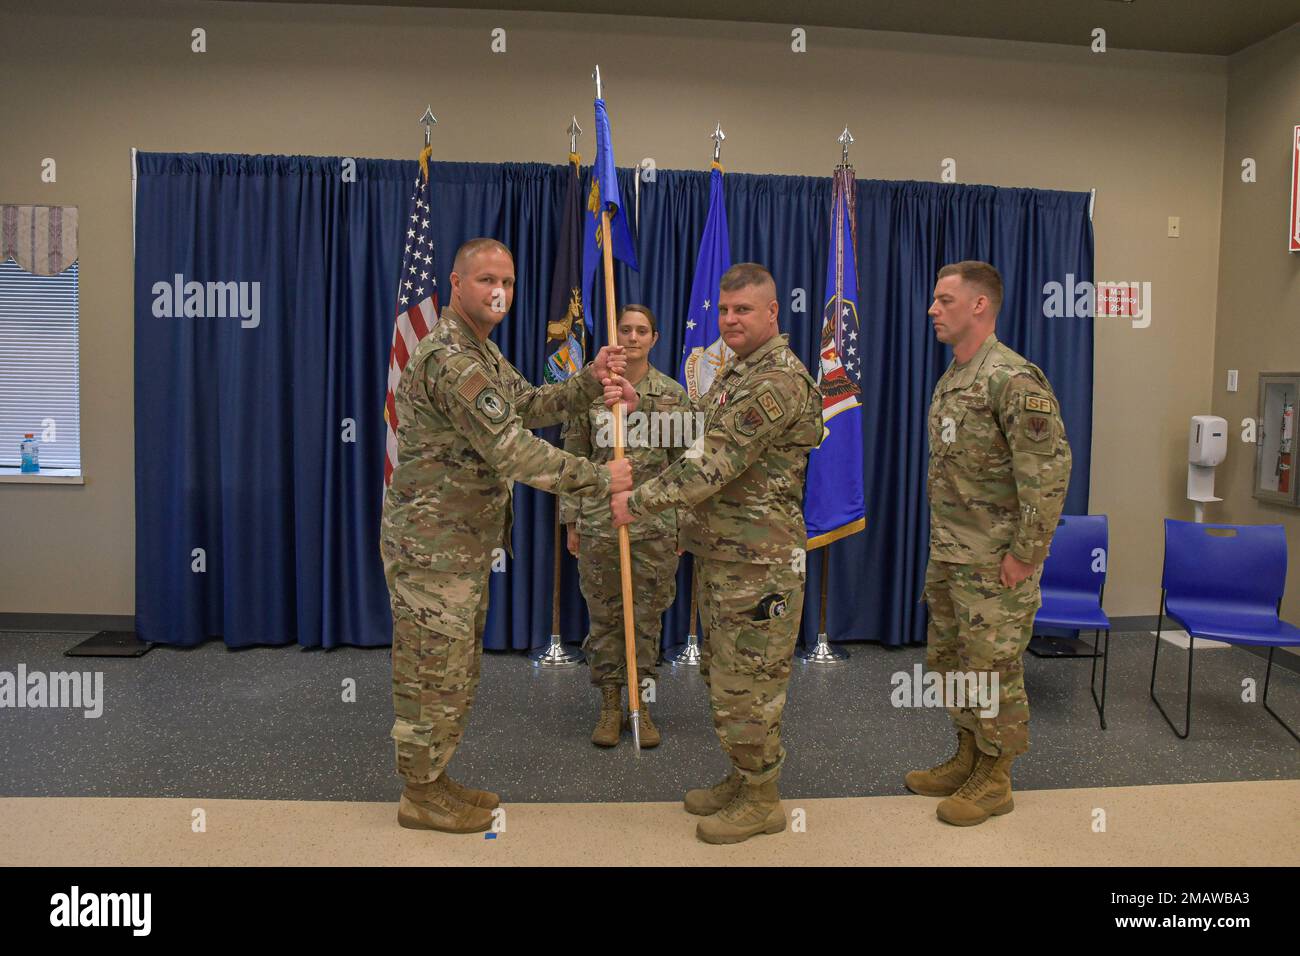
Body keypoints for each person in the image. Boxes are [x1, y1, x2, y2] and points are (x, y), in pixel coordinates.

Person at [380, 238, 636, 834]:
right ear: (456, 283)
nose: (500, 291)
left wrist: (591, 381)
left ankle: (435, 778)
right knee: (431, 669)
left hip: (460, 545)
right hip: (432, 548)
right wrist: (600, 478)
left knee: (455, 668)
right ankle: (419, 793)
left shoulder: (482, 353)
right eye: (488, 278)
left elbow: (526, 403)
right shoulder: (452, 359)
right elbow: (513, 449)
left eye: (510, 281)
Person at [612, 263, 822, 844]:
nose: (730, 319)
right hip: (727, 556)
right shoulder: (739, 370)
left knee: (750, 681)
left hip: (760, 564)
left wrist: (640, 502)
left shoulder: (776, 380)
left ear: (772, 313)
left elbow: (714, 462)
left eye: (744, 310)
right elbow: (699, 428)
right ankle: (743, 775)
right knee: (726, 675)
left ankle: (763, 799)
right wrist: (641, 401)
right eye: (724, 310)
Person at [905, 260, 1072, 826]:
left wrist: (1026, 554)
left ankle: (996, 777)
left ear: (979, 305)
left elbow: (1046, 475)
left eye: (944, 299)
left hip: (996, 561)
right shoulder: (954, 377)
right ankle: (969, 756)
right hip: (952, 554)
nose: (933, 309)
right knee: (951, 663)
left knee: (994, 667)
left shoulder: (1012, 379)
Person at [560, 304, 688, 748]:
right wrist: (571, 521)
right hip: (598, 523)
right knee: (606, 617)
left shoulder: (672, 395)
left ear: (655, 338)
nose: (632, 338)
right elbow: (572, 460)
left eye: (641, 331)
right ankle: (610, 704)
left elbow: (688, 464)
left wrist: (682, 528)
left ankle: (643, 703)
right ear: (613, 337)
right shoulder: (590, 394)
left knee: (647, 618)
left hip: (654, 527)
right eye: (624, 330)